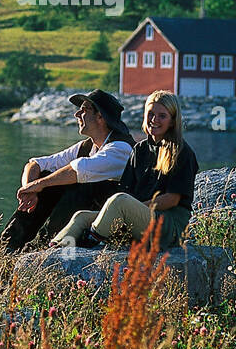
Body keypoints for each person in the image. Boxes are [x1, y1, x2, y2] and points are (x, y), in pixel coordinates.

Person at [51, 90, 197, 252]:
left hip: (169, 226)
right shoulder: (140, 149)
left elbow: (171, 199)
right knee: (82, 216)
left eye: (162, 116)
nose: (154, 120)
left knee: (120, 201)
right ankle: (55, 251)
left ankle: (91, 240)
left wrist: (131, 210)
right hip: (141, 218)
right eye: (150, 114)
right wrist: (123, 212)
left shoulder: (182, 152)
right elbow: (127, 190)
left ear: (172, 121)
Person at [0, 89, 135, 252]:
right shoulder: (87, 146)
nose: (77, 114)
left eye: (85, 110)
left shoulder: (121, 148)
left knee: (76, 184)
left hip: (108, 225)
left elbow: (78, 170)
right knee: (47, 178)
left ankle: (45, 246)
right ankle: (6, 247)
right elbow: (35, 164)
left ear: (101, 117)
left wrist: (40, 184)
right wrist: (30, 190)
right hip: (84, 218)